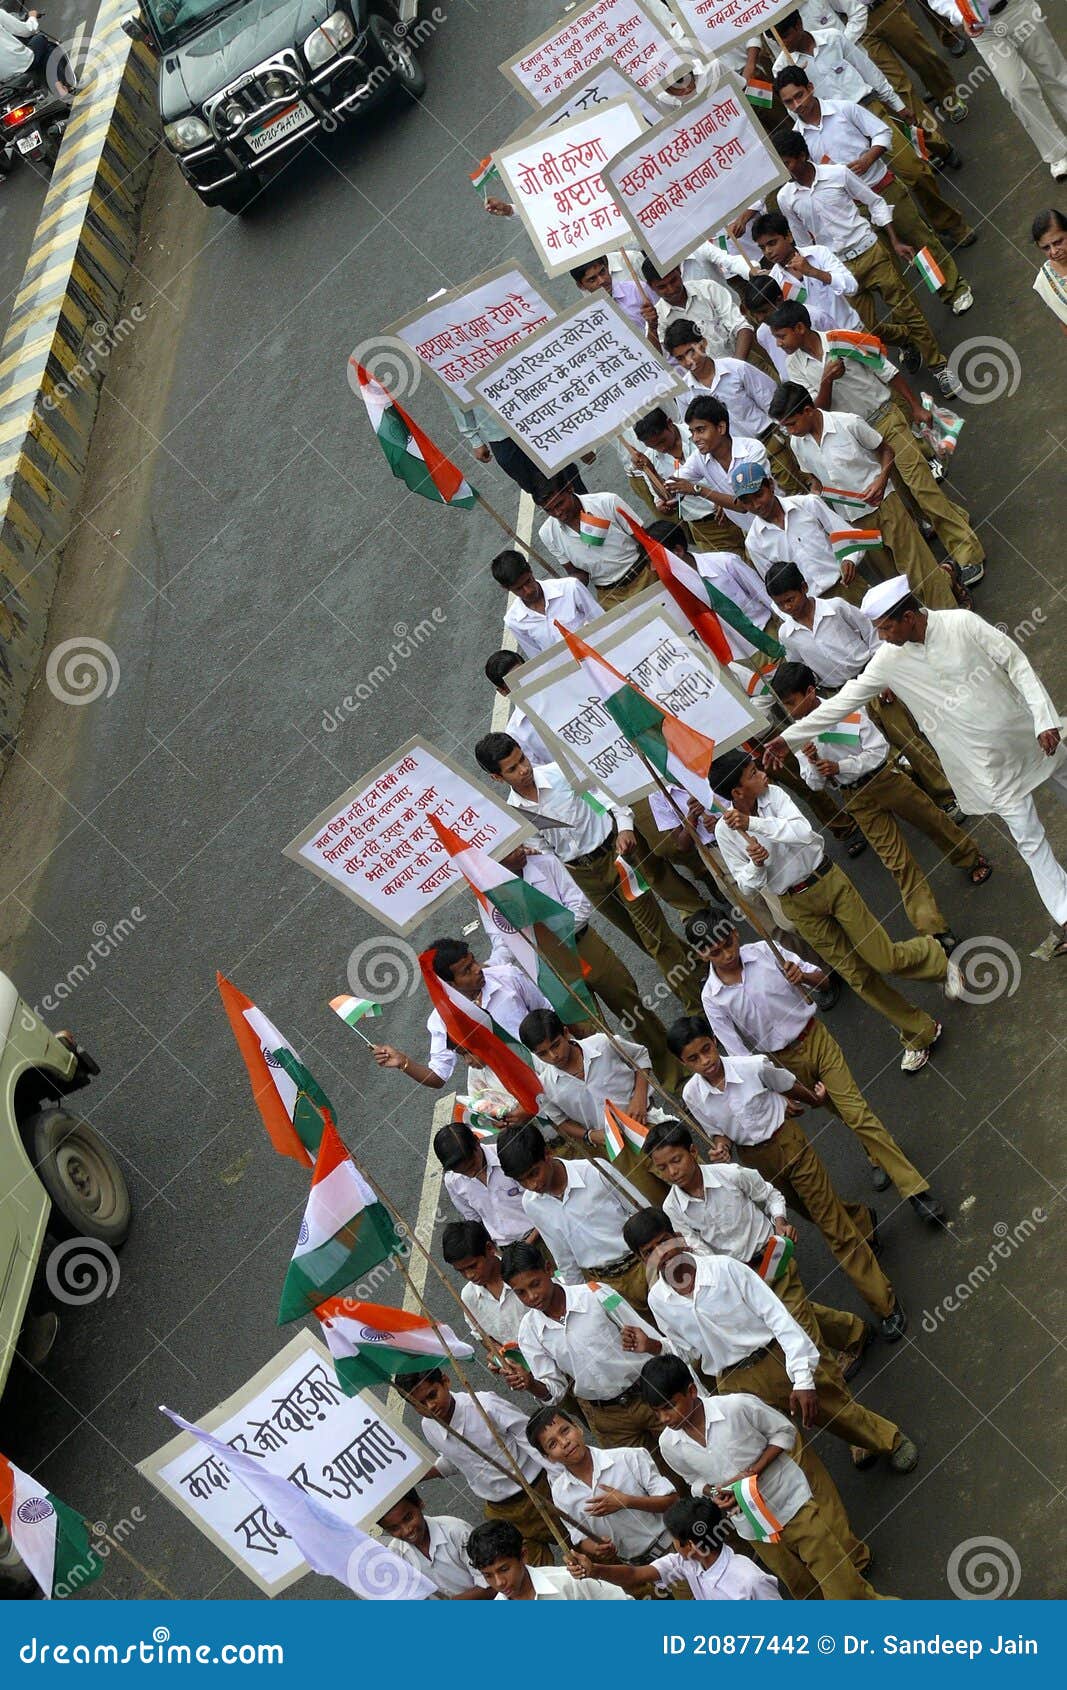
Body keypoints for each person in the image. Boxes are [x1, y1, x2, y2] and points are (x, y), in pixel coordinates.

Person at [766, 579, 1067, 953]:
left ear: (909, 617)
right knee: (1028, 839)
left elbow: (1016, 663)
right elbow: (842, 703)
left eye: (886, 627)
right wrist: (789, 739)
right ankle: (1064, 911)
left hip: (1030, 735)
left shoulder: (961, 624)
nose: (880, 635)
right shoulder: (888, 661)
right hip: (985, 765)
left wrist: (1044, 719)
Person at [709, 747, 958, 1066]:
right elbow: (746, 885)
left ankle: (935, 958)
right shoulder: (724, 832)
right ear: (737, 792)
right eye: (754, 773)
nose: (763, 774)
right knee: (857, 976)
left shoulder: (777, 796)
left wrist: (755, 825)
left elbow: (802, 833)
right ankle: (918, 1031)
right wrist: (756, 865)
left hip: (827, 881)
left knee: (883, 957)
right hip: (795, 904)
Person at [690, 913, 948, 1216]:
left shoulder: (765, 951)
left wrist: (803, 976)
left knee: (858, 1113)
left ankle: (915, 1191)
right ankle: (875, 1154)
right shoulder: (712, 998)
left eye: (728, 943)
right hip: (783, 1065)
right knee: (842, 1112)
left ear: (735, 932)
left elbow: (824, 980)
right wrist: (778, 1093)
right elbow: (739, 1058)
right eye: (715, 952)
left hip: (816, 1040)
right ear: (701, 954)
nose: (726, 954)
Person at [625, 1213, 918, 1468]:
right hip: (733, 1383)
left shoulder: (725, 1269)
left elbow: (778, 1318)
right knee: (779, 1451)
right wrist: (656, 1347)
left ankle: (889, 1440)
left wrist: (802, 1379)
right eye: (648, 1251)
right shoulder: (658, 1301)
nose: (660, 1254)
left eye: (664, 1242)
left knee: (835, 1411)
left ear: (678, 1238)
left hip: (774, 1357)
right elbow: (687, 1353)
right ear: (641, 1260)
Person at [664, 1019, 906, 1325]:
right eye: (693, 1059)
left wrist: (815, 1099)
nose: (706, 1061)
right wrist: (721, 1147)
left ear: (714, 1041)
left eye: (706, 1049)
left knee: (834, 1230)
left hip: (789, 1142)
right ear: (681, 1062)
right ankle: (863, 1221)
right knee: (811, 1210)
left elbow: (787, 1084)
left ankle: (884, 1303)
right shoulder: (692, 1096)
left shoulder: (752, 1066)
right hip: (756, 1162)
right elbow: (717, 1132)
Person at [768, 301, 989, 586]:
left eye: (781, 335)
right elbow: (814, 410)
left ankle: (968, 555)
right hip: (857, 438)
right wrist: (827, 381)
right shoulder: (794, 366)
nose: (778, 343)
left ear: (800, 328)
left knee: (921, 487)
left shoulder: (843, 339)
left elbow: (887, 371)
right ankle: (955, 519)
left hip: (886, 418)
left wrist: (915, 408)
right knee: (905, 494)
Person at [476, 734, 702, 1011]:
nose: (523, 769)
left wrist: (625, 827)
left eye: (521, 759)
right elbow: (545, 852)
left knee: (655, 939)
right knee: (639, 936)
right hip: (583, 878)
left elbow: (606, 792)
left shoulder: (560, 772)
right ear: (497, 778)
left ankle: (696, 1008)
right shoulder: (516, 812)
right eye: (512, 769)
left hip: (616, 858)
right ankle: (699, 964)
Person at [771, 659, 991, 942]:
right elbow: (813, 784)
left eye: (791, 702)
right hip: (856, 799)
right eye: (785, 705)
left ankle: (969, 857)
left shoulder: (844, 711)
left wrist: (840, 767)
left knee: (933, 822)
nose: (789, 711)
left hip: (886, 781)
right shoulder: (800, 735)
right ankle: (934, 929)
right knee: (898, 863)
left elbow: (877, 751)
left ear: (811, 692)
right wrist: (814, 764)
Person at [636, 1356, 887, 1599]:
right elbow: (694, 1481)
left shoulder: (736, 1407)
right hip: (753, 1526)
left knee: (845, 1587)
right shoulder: (669, 1444)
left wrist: (756, 1469)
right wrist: (714, 1493)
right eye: (656, 1412)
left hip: (791, 1504)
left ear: (691, 1391)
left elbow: (784, 1432)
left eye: (669, 1406)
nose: (664, 1418)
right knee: (802, 1588)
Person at [645, 1115, 873, 1359]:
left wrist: (780, 1222)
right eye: (662, 1168)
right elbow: (699, 1249)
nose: (672, 1172)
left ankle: (825, 1371)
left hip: (772, 1256)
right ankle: (853, 1331)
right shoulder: (672, 1208)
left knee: (797, 1324)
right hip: (740, 1276)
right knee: (784, 1313)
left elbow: (771, 1195)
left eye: (676, 1160)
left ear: (692, 1151)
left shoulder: (730, 1174)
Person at [774, 61, 976, 302]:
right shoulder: (797, 140)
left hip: (883, 187)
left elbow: (883, 132)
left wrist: (869, 157)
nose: (798, 105)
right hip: (852, 208)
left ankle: (952, 291)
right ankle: (914, 320)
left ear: (810, 87)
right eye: (789, 102)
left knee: (919, 242)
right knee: (885, 263)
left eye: (799, 96)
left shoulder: (844, 109)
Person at [764, 558, 958, 805]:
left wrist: (884, 677)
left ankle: (946, 793)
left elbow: (874, 635)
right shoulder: (786, 634)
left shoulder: (837, 608)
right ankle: (918, 799)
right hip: (839, 700)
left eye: (790, 599)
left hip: (872, 682)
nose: (787, 608)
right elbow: (797, 670)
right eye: (780, 604)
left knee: (906, 739)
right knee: (867, 750)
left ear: (804, 587)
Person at [498, 841, 683, 1087]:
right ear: (497, 860)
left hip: (584, 946)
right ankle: (625, 1091)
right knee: (588, 1034)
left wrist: (548, 933)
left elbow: (581, 906)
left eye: (518, 844)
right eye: (510, 850)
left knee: (632, 1007)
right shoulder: (494, 894)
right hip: (552, 966)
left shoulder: (545, 863)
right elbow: (501, 939)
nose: (520, 849)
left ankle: (675, 1077)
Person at [769, 381, 970, 601]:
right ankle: (947, 580)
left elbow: (886, 451)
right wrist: (816, 502)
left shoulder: (848, 423)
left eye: (791, 424)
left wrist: (882, 480)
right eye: (785, 427)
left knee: (918, 569)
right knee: (894, 583)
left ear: (807, 411)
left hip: (884, 504)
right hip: (853, 523)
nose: (789, 431)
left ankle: (951, 617)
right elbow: (814, 480)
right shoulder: (799, 445)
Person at [500, 1242, 665, 1448]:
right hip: (608, 1419)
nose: (532, 1296)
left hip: (651, 1393)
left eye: (535, 1284)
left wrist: (656, 1354)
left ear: (549, 1269)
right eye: (521, 1293)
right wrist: (531, 1384)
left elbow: (651, 1339)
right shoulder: (529, 1332)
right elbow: (555, 1391)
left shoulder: (598, 1294)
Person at [397, 1367, 559, 1563]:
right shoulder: (429, 1426)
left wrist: (562, 1478)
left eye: (432, 1395)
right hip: (501, 1512)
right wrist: (410, 1476)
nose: (429, 1406)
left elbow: (531, 1439)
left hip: (539, 1492)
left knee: (586, 1549)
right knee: (534, 1578)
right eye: (419, 1404)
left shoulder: (484, 1405)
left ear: (446, 1381)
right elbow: (456, 1461)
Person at [497, 1124, 652, 1316]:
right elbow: (564, 1259)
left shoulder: (595, 1171)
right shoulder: (531, 1204)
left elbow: (642, 1212)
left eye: (534, 1173)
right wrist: (581, 1301)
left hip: (643, 1266)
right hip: (605, 1286)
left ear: (547, 1154)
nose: (533, 1184)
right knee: (642, 1340)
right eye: (522, 1181)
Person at [372, 936, 554, 1098]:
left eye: (473, 961)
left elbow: (546, 1011)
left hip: (552, 1067)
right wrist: (403, 1063)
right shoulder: (441, 1021)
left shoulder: (508, 976)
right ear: (450, 984)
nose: (477, 969)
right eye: (467, 971)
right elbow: (438, 1077)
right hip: (516, 1092)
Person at [520, 1009, 668, 1202]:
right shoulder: (546, 1086)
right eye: (543, 1054)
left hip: (647, 1123)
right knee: (655, 1198)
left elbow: (640, 1057)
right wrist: (589, 1136)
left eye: (555, 1046)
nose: (553, 1056)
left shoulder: (602, 1044)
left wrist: (639, 1097)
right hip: (615, 1146)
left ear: (566, 1033)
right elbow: (560, 1121)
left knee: (686, 1173)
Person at [926, 0, 1067, 181]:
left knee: (1052, 71)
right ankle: (1056, 153)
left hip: (1017, 7)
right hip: (984, 29)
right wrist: (962, 16)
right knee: (1015, 90)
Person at [528, 1408, 679, 1576]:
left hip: (674, 1548)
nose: (564, 1442)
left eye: (565, 1431)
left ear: (578, 1428)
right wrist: (595, 1547)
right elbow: (578, 1536)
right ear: (548, 1457)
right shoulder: (560, 1493)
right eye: (552, 1444)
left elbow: (672, 1501)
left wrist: (627, 1502)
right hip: (633, 1569)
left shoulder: (628, 1458)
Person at [663, 322, 807, 493]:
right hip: (738, 461)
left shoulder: (736, 368)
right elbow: (694, 431)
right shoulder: (683, 393)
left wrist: (793, 442)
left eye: (691, 351)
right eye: (680, 358)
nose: (689, 362)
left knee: (797, 496)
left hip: (770, 446)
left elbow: (772, 403)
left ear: (703, 343)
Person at [568, 1493, 783, 1600]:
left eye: (672, 1537)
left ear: (689, 1545)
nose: (671, 1543)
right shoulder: (686, 1562)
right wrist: (594, 1570)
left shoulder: (751, 1580)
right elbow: (635, 1574)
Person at [728, 459, 865, 604]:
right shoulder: (754, 542)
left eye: (759, 495)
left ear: (771, 485)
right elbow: (776, 587)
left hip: (847, 585)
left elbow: (852, 536)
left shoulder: (808, 504)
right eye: (746, 501)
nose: (756, 505)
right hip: (813, 604)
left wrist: (849, 559)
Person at [624, 407, 741, 551]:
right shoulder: (650, 459)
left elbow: (732, 463)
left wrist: (723, 498)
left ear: (669, 423)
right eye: (653, 446)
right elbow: (666, 497)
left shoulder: (700, 433)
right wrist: (651, 472)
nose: (661, 449)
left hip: (736, 506)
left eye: (662, 441)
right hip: (706, 527)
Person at [533, 475, 654, 607]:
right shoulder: (547, 533)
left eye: (560, 504)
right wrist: (565, 590)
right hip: (610, 597)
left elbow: (645, 540)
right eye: (549, 510)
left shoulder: (608, 502)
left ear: (570, 489)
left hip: (646, 576)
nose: (558, 513)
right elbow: (576, 573)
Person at [448, 397, 586, 498]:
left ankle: (591, 517)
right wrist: (474, 439)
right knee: (536, 488)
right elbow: (453, 393)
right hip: (498, 434)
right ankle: (568, 525)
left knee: (564, 470)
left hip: (533, 416)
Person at [465, 1519, 630, 1599]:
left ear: (523, 1556)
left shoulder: (571, 1582)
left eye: (504, 1569)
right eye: (488, 1575)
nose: (499, 1582)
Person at [378, 1489, 491, 1598]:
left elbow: (491, 1584)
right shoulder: (396, 1555)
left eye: (408, 1518)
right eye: (394, 1528)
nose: (407, 1530)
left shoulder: (456, 1531)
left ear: (420, 1504)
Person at [433, 1124, 532, 1247]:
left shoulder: (507, 1156)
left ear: (476, 1141)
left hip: (540, 1232)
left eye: (472, 1165)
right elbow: (474, 1220)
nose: (471, 1174)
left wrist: (529, 1243)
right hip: (507, 1248)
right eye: (462, 1172)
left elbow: (542, 1198)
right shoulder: (452, 1181)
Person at [489, 551, 599, 659]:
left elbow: (601, 620)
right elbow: (538, 659)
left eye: (528, 581)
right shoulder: (514, 621)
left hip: (599, 654)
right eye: (518, 589)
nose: (528, 591)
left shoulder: (570, 587)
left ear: (530, 570)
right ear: (505, 588)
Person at [641, 257, 753, 362]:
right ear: (651, 287)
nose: (671, 290)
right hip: (703, 379)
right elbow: (657, 358)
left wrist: (737, 368)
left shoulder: (708, 289)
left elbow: (742, 327)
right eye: (662, 287)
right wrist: (652, 327)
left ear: (679, 271)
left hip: (743, 358)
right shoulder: (655, 318)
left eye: (673, 281)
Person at [442, 1219, 526, 1356]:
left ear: (490, 1248)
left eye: (473, 1266)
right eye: (461, 1271)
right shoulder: (468, 1296)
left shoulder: (524, 1274)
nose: (469, 1275)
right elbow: (482, 1336)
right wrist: (500, 1356)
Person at [483, 650, 553, 768]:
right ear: (503, 692)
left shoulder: (562, 686)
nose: (525, 684)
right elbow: (543, 772)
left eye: (524, 675)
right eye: (515, 684)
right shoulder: (515, 734)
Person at [569, 253, 657, 334]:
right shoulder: (588, 317)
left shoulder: (639, 290)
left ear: (607, 267)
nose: (601, 281)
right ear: (581, 286)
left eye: (602, 272)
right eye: (592, 279)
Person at [0, 9, 70, 95]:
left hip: (3, 81)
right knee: (41, 40)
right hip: (23, 62)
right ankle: (60, 88)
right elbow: (26, 30)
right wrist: (32, 16)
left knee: (34, 55)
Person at [1032, 207, 1067, 332]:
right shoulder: (1044, 281)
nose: (1054, 251)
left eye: (1058, 242)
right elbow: (1063, 320)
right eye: (1046, 248)